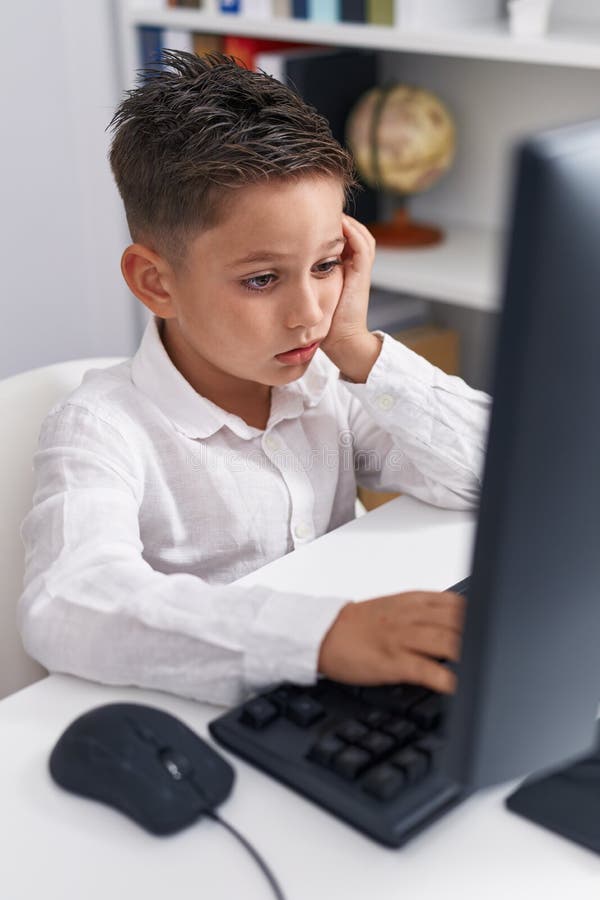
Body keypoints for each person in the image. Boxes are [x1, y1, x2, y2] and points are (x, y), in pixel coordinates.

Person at [18, 51, 490, 707]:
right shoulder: (101, 427)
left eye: (327, 265)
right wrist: (320, 637)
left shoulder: (326, 378)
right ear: (157, 282)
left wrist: (358, 348)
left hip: (335, 693)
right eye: (262, 279)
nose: (309, 313)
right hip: (203, 717)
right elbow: (67, 604)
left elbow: (493, 476)